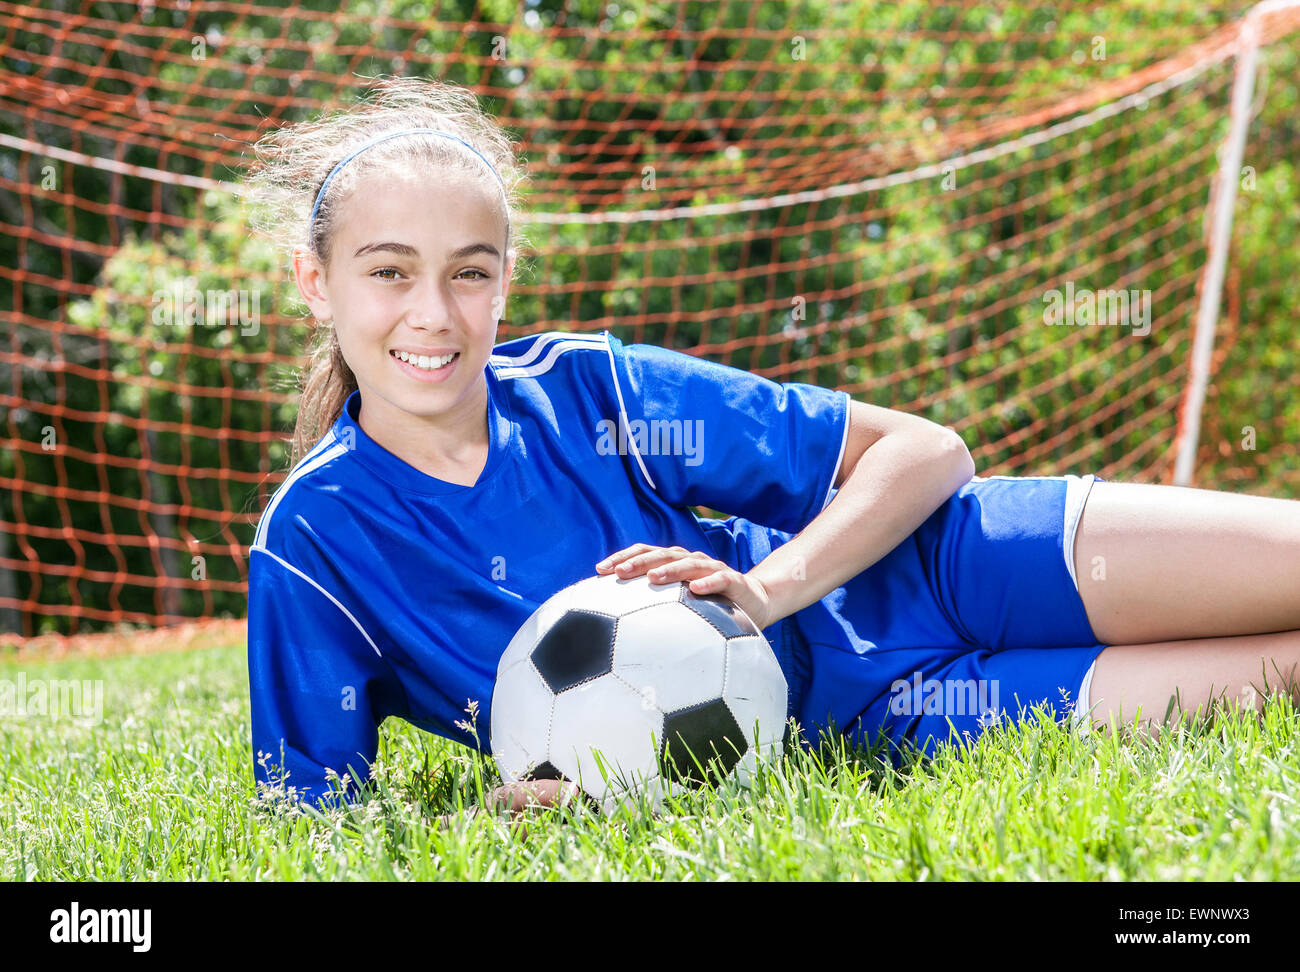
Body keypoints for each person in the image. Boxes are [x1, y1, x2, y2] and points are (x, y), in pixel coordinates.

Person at [243, 76, 1300, 826]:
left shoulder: (587, 388)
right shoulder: (314, 540)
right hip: (888, 725)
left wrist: (759, 589)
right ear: (314, 282)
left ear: (503, 282)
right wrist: (518, 804)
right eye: (388, 272)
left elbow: (928, 452)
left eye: (468, 272)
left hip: (942, 562)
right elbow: (314, 814)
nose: (432, 313)